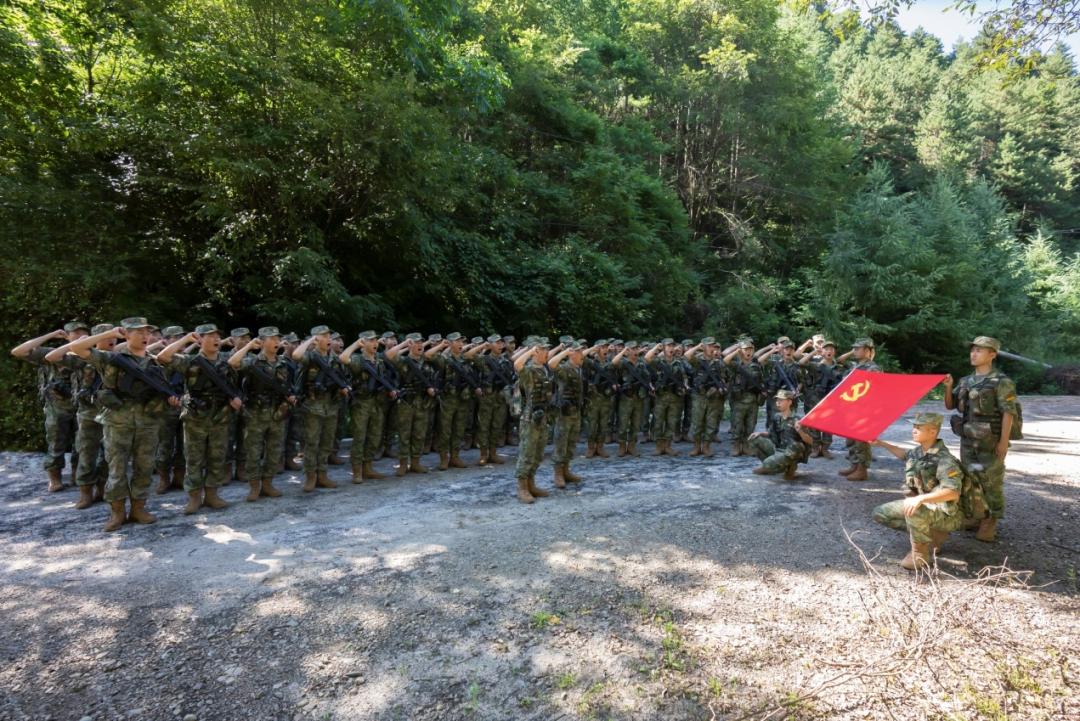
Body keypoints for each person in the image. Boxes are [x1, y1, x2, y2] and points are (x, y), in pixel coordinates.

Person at [57, 319, 181, 531]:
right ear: (126, 334)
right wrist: (109, 334)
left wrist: (171, 400)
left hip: (148, 422)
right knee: (116, 469)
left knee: (144, 468)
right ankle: (117, 512)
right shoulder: (112, 358)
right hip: (118, 422)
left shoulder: (155, 363)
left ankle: (139, 509)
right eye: (138, 332)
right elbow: (76, 348)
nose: (145, 336)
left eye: (147, 332)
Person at [158, 325, 243, 513]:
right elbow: (163, 357)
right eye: (210, 336)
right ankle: (194, 497)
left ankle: (212, 495)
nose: (216, 339)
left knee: (217, 457)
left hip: (220, 416)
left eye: (218, 336)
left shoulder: (226, 360)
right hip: (196, 418)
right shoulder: (190, 361)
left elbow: (237, 378)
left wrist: (235, 398)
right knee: (194, 459)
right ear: (200, 340)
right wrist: (186, 339)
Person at [943, 336, 1019, 542]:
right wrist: (948, 387)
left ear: (992, 354)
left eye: (979, 350)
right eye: (972, 350)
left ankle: (991, 521)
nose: (973, 354)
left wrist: (1003, 442)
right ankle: (977, 516)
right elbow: (950, 406)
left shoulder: (1001, 382)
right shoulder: (965, 381)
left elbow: (1008, 413)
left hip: (991, 440)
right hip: (968, 438)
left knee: (991, 480)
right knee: (970, 478)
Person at [871, 413, 965, 570]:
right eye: (914, 427)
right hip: (928, 506)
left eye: (918, 428)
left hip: (947, 513)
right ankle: (932, 535)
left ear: (932, 432)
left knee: (914, 509)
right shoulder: (919, 451)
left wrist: (920, 499)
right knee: (880, 513)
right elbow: (905, 455)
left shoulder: (945, 460)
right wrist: (883, 444)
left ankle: (920, 553)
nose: (913, 430)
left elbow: (953, 492)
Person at [44, 323, 116, 508]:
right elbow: (52, 357)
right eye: (106, 336)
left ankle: (102, 489)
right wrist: (79, 342)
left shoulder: (118, 357)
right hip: (88, 413)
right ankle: (85, 493)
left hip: (112, 413)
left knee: (109, 454)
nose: (112, 340)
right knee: (86, 453)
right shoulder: (82, 358)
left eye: (113, 336)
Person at [10, 322, 88, 491]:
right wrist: (50, 335)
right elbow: (18, 351)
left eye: (83, 332)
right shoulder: (52, 354)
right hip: (57, 406)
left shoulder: (90, 354)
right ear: (66, 336)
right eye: (74, 333)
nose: (79, 335)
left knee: (83, 443)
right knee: (55, 442)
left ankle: (78, 475)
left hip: (84, 406)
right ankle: (55, 479)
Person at [229, 327, 296, 500]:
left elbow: (288, 385)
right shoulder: (252, 361)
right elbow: (232, 363)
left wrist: (291, 396)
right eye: (272, 339)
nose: (276, 342)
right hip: (255, 414)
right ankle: (254, 486)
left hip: (278, 414)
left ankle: (267, 484)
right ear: (262, 342)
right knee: (253, 452)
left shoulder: (283, 362)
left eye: (278, 339)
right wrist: (249, 345)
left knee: (274, 451)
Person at [291, 326, 349, 492]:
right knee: (311, 443)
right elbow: (296, 355)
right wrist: (310, 341)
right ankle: (310, 477)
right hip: (312, 406)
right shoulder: (310, 356)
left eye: (329, 335)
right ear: (316, 339)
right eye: (324, 336)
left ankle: (322, 475)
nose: (329, 338)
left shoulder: (334, 358)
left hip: (331, 405)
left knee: (326, 442)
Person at [339, 330, 395, 483]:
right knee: (360, 437)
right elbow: (343, 358)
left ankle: (368, 467)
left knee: (375, 436)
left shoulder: (379, 359)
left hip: (377, 403)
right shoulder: (358, 359)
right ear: (363, 343)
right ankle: (357, 471)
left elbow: (392, 357)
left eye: (376, 340)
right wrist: (356, 344)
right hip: (361, 404)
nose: (375, 343)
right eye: (371, 340)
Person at [385, 333, 438, 476]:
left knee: (419, 434)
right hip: (407, 403)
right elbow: (388, 355)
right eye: (416, 343)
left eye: (421, 342)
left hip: (423, 402)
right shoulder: (403, 361)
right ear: (410, 345)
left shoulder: (427, 361)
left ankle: (415, 463)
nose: (420, 345)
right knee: (404, 434)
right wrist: (404, 344)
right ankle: (403, 464)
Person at [430, 333, 483, 470]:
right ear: (450, 343)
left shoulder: (466, 358)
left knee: (459, 429)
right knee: (445, 429)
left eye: (461, 341)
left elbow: (476, 360)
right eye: (457, 341)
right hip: (448, 399)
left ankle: (455, 456)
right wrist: (442, 345)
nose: (460, 344)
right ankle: (444, 458)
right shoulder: (445, 359)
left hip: (463, 398)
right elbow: (428, 356)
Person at [513, 339, 556, 503]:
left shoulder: (544, 369)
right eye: (543, 350)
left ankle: (531, 484)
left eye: (547, 350)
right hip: (530, 418)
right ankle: (522, 487)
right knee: (527, 452)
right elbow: (517, 364)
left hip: (543, 416)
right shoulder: (529, 370)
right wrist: (530, 351)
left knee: (538, 453)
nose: (547, 353)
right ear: (536, 353)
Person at [836, 338, 881, 481]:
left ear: (867, 350)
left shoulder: (873, 368)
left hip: (864, 409)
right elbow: (839, 360)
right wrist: (852, 352)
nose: (854, 351)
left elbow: (875, 390)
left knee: (861, 440)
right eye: (853, 348)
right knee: (851, 439)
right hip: (851, 407)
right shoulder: (854, 365)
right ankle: (854, 465)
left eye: (857, 348)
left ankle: (862, 469)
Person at [548, 341, 588, 488]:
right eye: (578, 352)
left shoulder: (579, 369)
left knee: (571, 442)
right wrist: (564, 352)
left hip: (576, 410)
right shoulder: (565, 368)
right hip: (564, 412)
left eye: (581, 351)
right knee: (561, 442)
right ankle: (558, 474)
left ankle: (566, 470)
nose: (581, 354)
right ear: (572, 354)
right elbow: (551, 364)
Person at [747, 390, 813, 480]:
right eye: (777, 400)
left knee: (796, 446)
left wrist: (800, 431)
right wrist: (759, 433)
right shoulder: (777, 417)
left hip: (790, 452)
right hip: (778, 449)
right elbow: (771, 433)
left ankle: (790, 467)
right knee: (754, 439)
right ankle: (773, 466)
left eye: (781, 400)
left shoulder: (797, 420)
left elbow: (810, 441)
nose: (777, 403)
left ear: (789, 402)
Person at [685, 338, 730, 457]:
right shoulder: (698, 360)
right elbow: (687, 356)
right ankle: (696, 446)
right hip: (699, 396)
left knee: (711, 423)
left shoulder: (718, 363)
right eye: (709, 346)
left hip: (713, 397)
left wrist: (721, 388)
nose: (712, 348)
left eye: (713, 346)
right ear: (704, 347)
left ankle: (706, 446)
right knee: (697, 422)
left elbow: (723, 378)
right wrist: (698, 346)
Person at [798, 339, 842, 458]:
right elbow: (801, 363)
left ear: (834, 352)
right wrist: (813, 352)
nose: (829, 351)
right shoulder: (815, 365)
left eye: (831, 349)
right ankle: (815, 448)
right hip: (815, 399)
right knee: (814, 423)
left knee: (829, 424)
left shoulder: (838, 367)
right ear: (822, 351)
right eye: (826, 349)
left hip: (831, 399)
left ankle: (826, 449)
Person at [645, 339, 688, 456]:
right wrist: (656, 347)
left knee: (672, 422)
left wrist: (685, 385)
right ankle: (659, 447)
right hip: (661, 397)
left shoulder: (678, 362)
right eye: (668, 346)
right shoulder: (658, 361)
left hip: (675, 397)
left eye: (672, 346)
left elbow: (684, 376)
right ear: (663, 348)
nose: (671, 348)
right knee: (658, 422)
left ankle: (668, 446)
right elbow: (647, 358)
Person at [475, 335, 512, 465]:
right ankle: (483, 454)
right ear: (490, 345)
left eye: (501, 343)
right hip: (487, 397)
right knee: (484, 426)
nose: (500, 345)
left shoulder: (506, 361)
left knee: (497, 426)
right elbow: (468, 356)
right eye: (496, 343)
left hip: (500, 398)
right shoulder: (484, 359)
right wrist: (483, 346)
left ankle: (493, 453)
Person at [724, 338, 764, 457]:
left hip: (753, 400)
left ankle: (746, 446)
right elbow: (725, 360)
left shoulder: (757, 365)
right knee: (737, 424)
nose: (748, 352)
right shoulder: (736, 365)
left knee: (750, 425)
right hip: (739, 400)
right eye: (746, 349)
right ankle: (736, 446)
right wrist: (736, 351)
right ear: (741, 351)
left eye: (750, 349)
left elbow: (761, 380)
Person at [612, 341, 651, 457]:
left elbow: (647, 376)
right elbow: (614, 363)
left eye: (636, 348)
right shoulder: (623, 362)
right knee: (623, 424)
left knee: (636, 424)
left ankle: (632, 446)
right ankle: (622, 446)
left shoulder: (641, 363)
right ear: (628, 350)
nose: (635, 351)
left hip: (639, 397)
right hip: (626, 397)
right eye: (632, 349)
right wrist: (624, 351)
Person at [583, 339, 617, 458]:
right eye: (602, 347)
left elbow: (614, 376)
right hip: (593, 398)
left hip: (605, 398)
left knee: (603, 424)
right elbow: (581, 356)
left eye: (606, 347)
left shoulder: (610, 362)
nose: (605, 349)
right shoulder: (590, 362)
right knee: (592, 425)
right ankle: (591, 447)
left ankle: (600, 447)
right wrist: (592, 349)